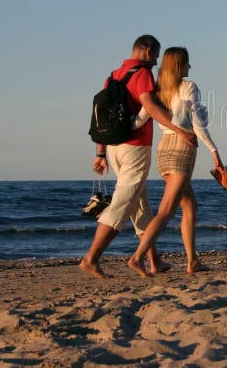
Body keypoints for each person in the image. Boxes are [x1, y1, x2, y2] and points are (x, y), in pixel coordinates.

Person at [80, 35, 197, 280]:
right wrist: (179, 130)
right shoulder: (142, 73)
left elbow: (103, 116)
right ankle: (91, 259)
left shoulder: (113, 75)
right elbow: (150, 108)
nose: (156, 62)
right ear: (146, 51)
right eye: (155, 56)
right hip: (135, 147)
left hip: (114, 148)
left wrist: (100, 153)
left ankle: (155, 262)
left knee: (140, 206)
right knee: (123, 203)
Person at [127, 46, 224, 277]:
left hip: (164, 150)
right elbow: (198, 125)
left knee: (189, 206)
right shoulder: (189, 87)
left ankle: (193, 262)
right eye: (188, 62)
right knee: (166, 210)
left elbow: (138, 121)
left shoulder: (157, 90)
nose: (191, 66)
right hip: (183, 149)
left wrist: (111, 141)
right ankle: (137, 257)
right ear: (180, 65)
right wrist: (214, 152)